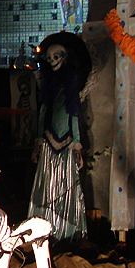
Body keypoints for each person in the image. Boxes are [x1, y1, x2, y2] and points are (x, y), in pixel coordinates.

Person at [28, 32, 89, 244]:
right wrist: (38, 139)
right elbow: (43, 112)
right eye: (48, 58)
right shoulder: (48, 85)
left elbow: (73, 113)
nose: (52, 61)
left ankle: (66, 230)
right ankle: (44, 228)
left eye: (56, 57)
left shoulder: (70, 82)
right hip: (48, 140)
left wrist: (77, 142)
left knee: (66, 185)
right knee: (46, 184)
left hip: (66, 141)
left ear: (64, 57)